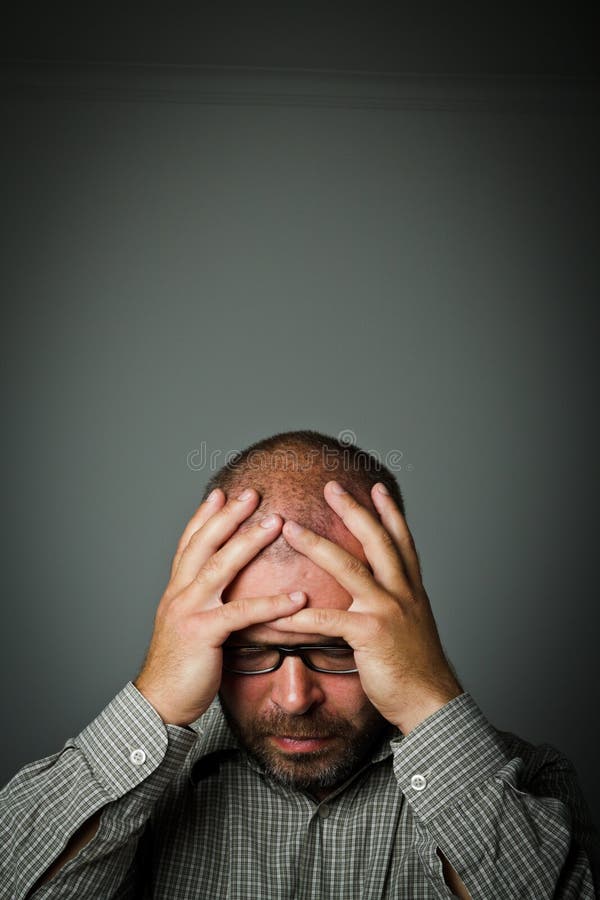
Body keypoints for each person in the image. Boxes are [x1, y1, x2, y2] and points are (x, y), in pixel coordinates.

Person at [1, 429, 598, 899]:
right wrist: (153, 700)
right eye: (252, 649)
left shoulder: (533, 785)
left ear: (404, 629)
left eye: (338, 649)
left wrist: (427, 697)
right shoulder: (145, 796)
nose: (293, 697)